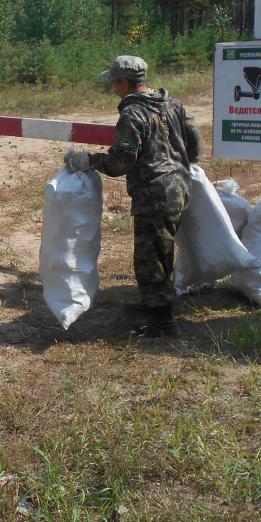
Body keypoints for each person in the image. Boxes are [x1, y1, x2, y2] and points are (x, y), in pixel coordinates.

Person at [65, 55, 202, 338]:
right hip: (180, 188)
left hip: (155, 195)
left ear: (124, 82)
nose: (113, 88)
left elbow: (121, 163)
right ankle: (151, 306)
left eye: (114, 83)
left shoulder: (132, 115)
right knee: (161, 254)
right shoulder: (172, 104)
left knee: (151, 260)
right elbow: (196, 145)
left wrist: (87, 160)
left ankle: (163, 323)